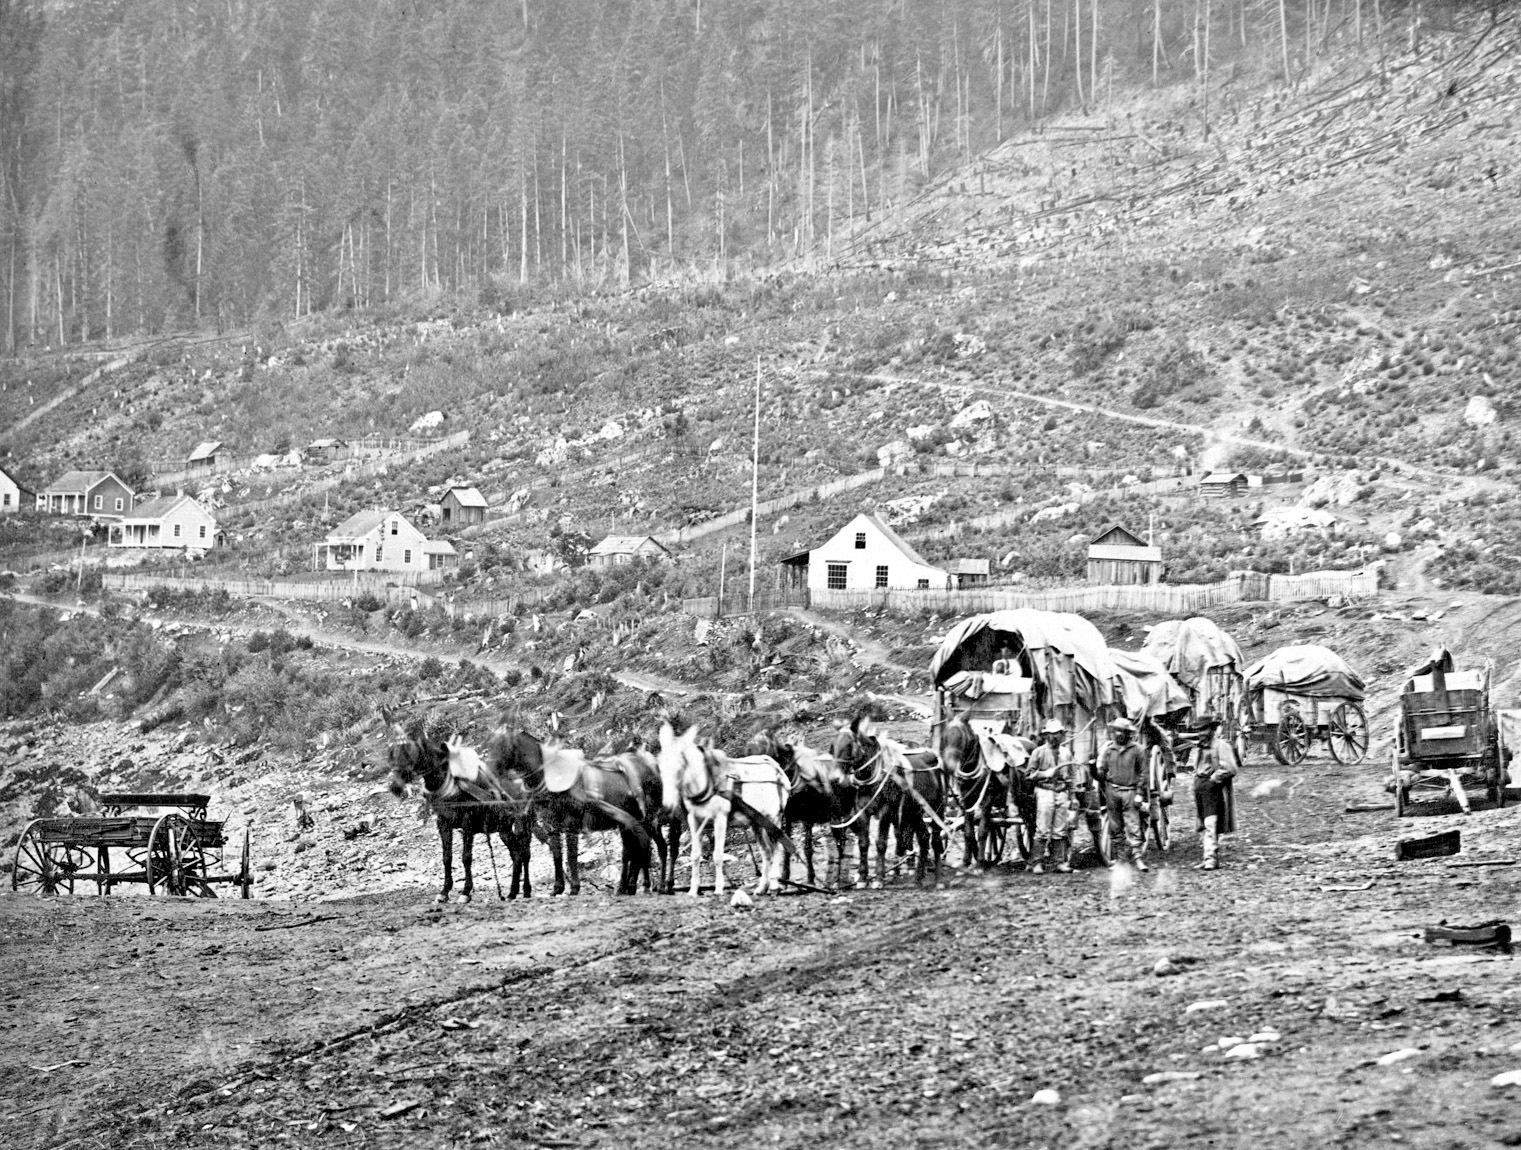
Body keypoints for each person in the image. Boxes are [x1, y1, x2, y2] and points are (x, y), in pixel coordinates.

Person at [1096, 717, 1148, 871]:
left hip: (1130, 791)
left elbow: (1144, 774)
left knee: (1133, 825)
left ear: (1128, 734)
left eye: (1122, 732)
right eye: (1116, 731)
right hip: (1112, 791)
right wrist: (1094, 769)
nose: (1119, 734)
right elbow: (1102, 774)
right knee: (1115, 827)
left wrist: (1140, 793)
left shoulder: (1137, 750)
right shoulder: (1108, 750)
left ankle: (1138, 858)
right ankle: (1121, 860)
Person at [1190, 713, 1239, 870]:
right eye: (1199, 730)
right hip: (1201, 788)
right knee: (1204, 825)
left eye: (1204, 730)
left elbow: (1231, 768)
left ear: (1212, 729)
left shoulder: (1221, 746)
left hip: (1214, 789)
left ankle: (1210, 858)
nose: (1201, 733)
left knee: (1211, 824)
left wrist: (1214, 779)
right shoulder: (1199, 747)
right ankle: (1207, 858)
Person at [1026, 718, 1073, 874]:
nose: (1054, 737)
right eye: (1051, 734)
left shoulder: (1066, 753)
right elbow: (1029, 775)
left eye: (1057, 734)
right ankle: (1037, 862)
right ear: (1046, 736)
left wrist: (1070, 794)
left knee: (1060, 829)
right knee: (1043, 829)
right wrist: (1045, 773)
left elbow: (1071, 774)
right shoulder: (1038, 753)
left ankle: (1059, 862)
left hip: (1061, 792)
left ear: (1062, 735)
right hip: (1045, 791)